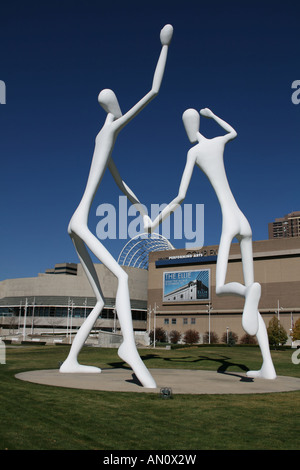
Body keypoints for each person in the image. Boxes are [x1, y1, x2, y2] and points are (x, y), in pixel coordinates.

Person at [60, 25, 174, 389]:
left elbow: (117, 180)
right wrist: (165, 48)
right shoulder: (110, 130)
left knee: (99, 300)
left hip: (74, 222)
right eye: (116, 104)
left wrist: (139, 207)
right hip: (80, 223)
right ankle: (129, 348)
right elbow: (153, 92)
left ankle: (70, 361)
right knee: (124, 278)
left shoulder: (101, 139)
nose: (119, 108)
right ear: (112, 107)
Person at [145, 107, 276, 379]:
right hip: (245, 220)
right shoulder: (217, 142)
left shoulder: (193, 153)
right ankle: (268, 367)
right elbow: (234, 132)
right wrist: (212, 114)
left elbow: (180, 197)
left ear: (188, 127)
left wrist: (155, 222)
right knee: (252, 303)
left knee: (221, 286)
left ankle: (245, 292)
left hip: (230, 222)